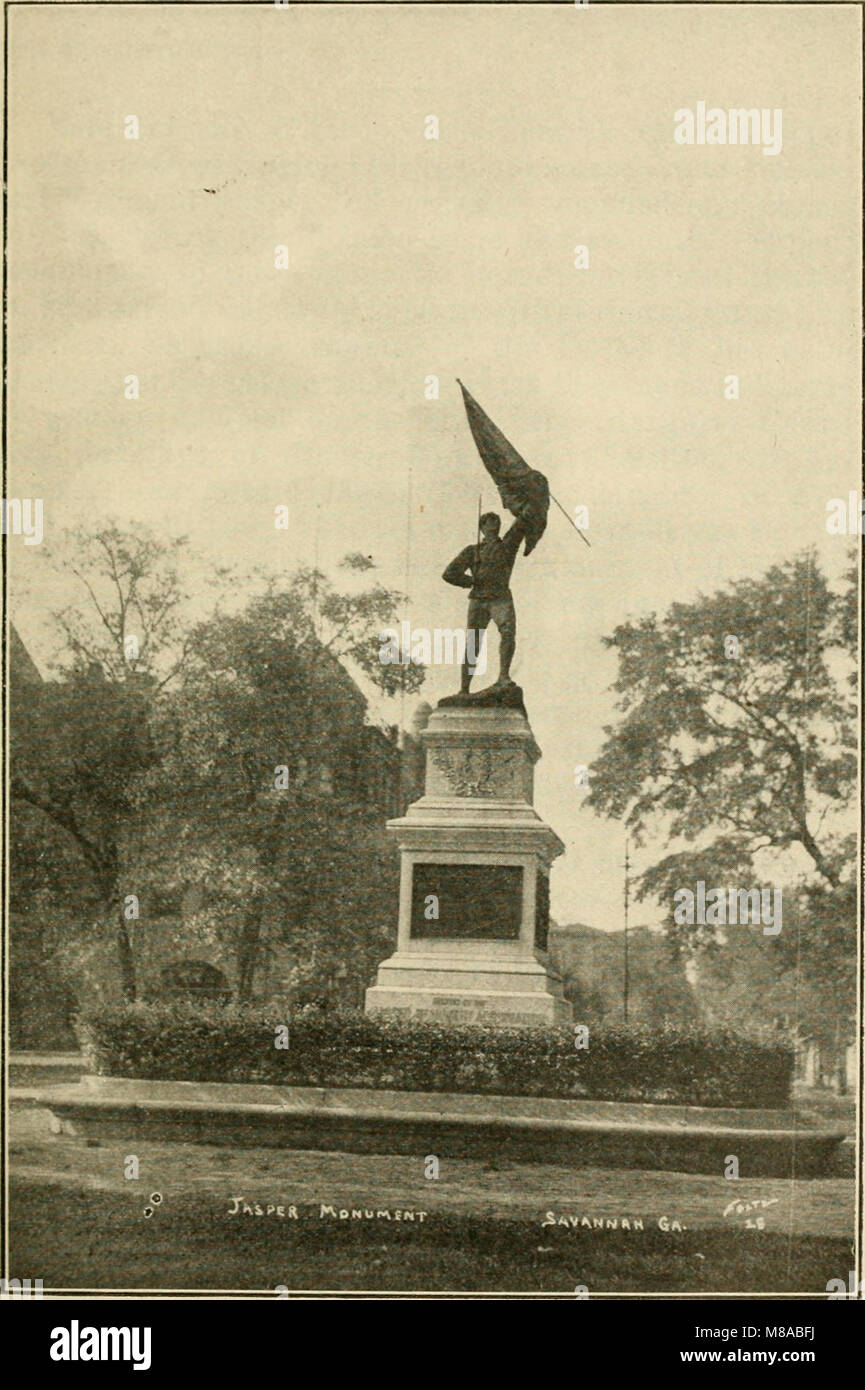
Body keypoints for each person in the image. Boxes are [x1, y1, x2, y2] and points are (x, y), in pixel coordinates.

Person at [442, 510, 526, 693]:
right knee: (473, 642)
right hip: (478, 600)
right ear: (482, 528)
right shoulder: (472, 551)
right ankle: (464, 688)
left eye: (496, 524)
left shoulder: (507, 546)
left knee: (508, 633)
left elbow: (521, 524)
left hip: (500, 597)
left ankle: (503, 676)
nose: (494, 527)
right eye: (489, 524)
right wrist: (470, 581)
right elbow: (449, 574)